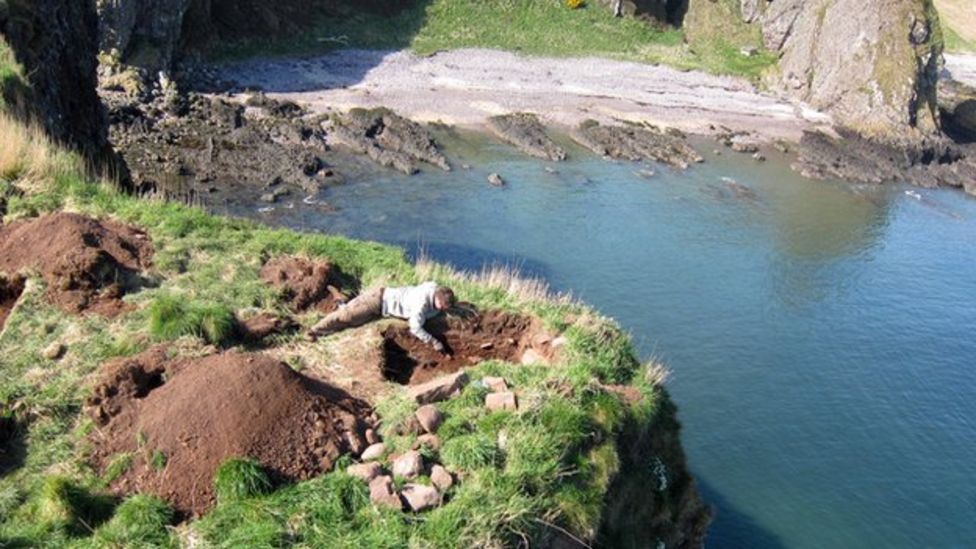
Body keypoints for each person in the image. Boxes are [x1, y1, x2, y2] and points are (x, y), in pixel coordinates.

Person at [307, 281, 456, 352]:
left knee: (355, 322)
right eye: (441, 305)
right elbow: (415, 327)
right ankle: (314, 330)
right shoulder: (421, 304)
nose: (442, 309)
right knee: (345, 318)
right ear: (436, 297)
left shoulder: (435, 288)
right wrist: (433, 341)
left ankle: (344, 300)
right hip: (376, 301)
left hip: (381, 309)